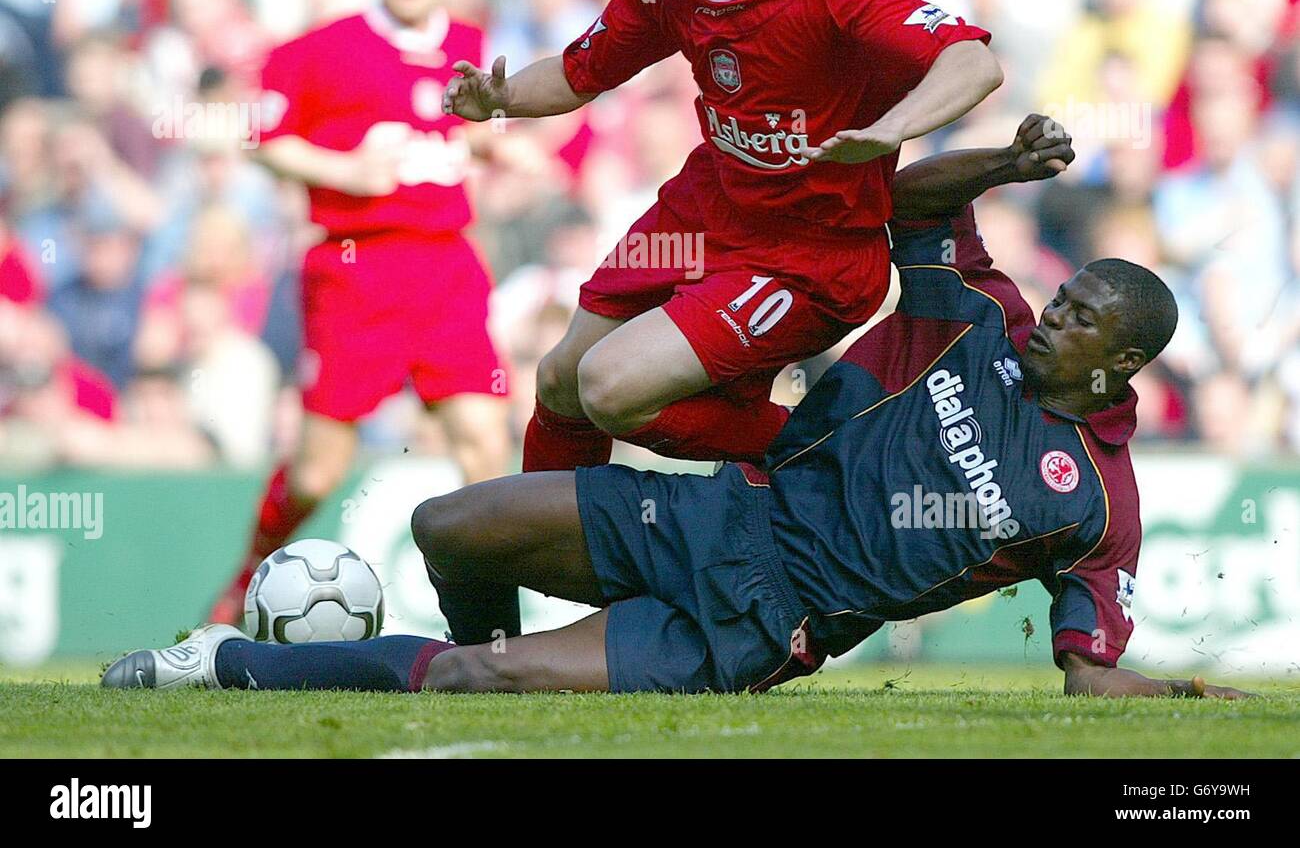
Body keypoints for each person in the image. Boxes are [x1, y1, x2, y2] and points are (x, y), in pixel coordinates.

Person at [103, 115, 1250, 699]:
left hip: (767, 616)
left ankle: (213, 669)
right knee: (444, 526)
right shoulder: (979, 317)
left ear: (1121, 367)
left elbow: (1088, 664)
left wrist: (1181, 700)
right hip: (717, 512)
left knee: (472, 682)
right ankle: (493, 659)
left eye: (1089, 316)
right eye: (1071, 292)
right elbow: (906, 201)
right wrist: (1001, 159)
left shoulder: (1094, 503)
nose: (1060, 310)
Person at [442, 0, 1002, 472]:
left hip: (809, 253)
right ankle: (538, 557)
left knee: (609, 388)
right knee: (563, 377)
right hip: (708, 209)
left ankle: (844, 458)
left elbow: (975, 63)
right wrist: (501, 99)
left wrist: (890, 127)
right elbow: (577, 71)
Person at [206, 0, 510, 626]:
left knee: (484, 442)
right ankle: (243, 579)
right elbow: (262, 137)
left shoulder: (475, 44)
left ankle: (492, 626)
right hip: (355, 273)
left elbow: (493, 133)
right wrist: (348, 172)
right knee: (317, 471)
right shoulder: (322, 49)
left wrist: (501, 143)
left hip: (445, 267)